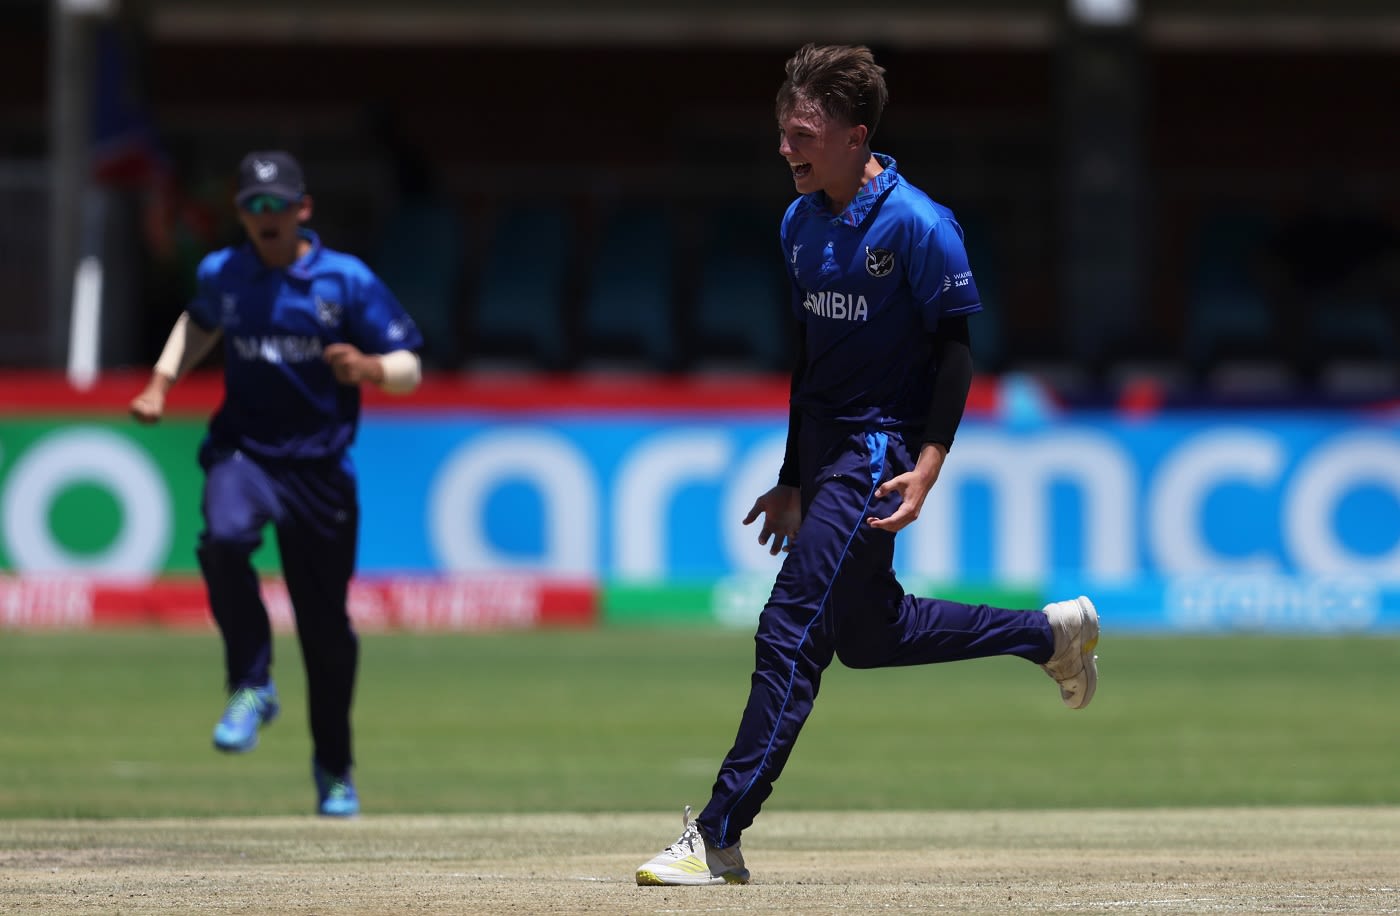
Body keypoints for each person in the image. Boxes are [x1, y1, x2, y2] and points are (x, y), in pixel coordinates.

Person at [635, 44, 1099, 886]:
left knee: (790, 630)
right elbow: (809, 357)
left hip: (880, 446)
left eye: (802, 134)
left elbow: (956, 353)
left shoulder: (919, 224)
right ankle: (1050, 635)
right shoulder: (798, 222)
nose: (786, 149)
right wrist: (792, 475)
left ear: (856, 136)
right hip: (824, 451)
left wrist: (927, 464)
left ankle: (717, 835)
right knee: (872, 635)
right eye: (782, 133)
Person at [129, 150, 424, 817]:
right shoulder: (223, 272)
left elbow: (410, 365)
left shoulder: (344, 281)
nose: (265, 217)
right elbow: (200, 321)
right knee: (225, 537)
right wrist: (160, 382)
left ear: (303, 209)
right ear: (239, 212)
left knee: (325, 633)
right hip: (246, 452)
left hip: (320, 471)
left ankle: (334, 767)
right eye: (253, 205)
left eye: (277, 205)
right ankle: (252, 684)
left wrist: (372, 368)